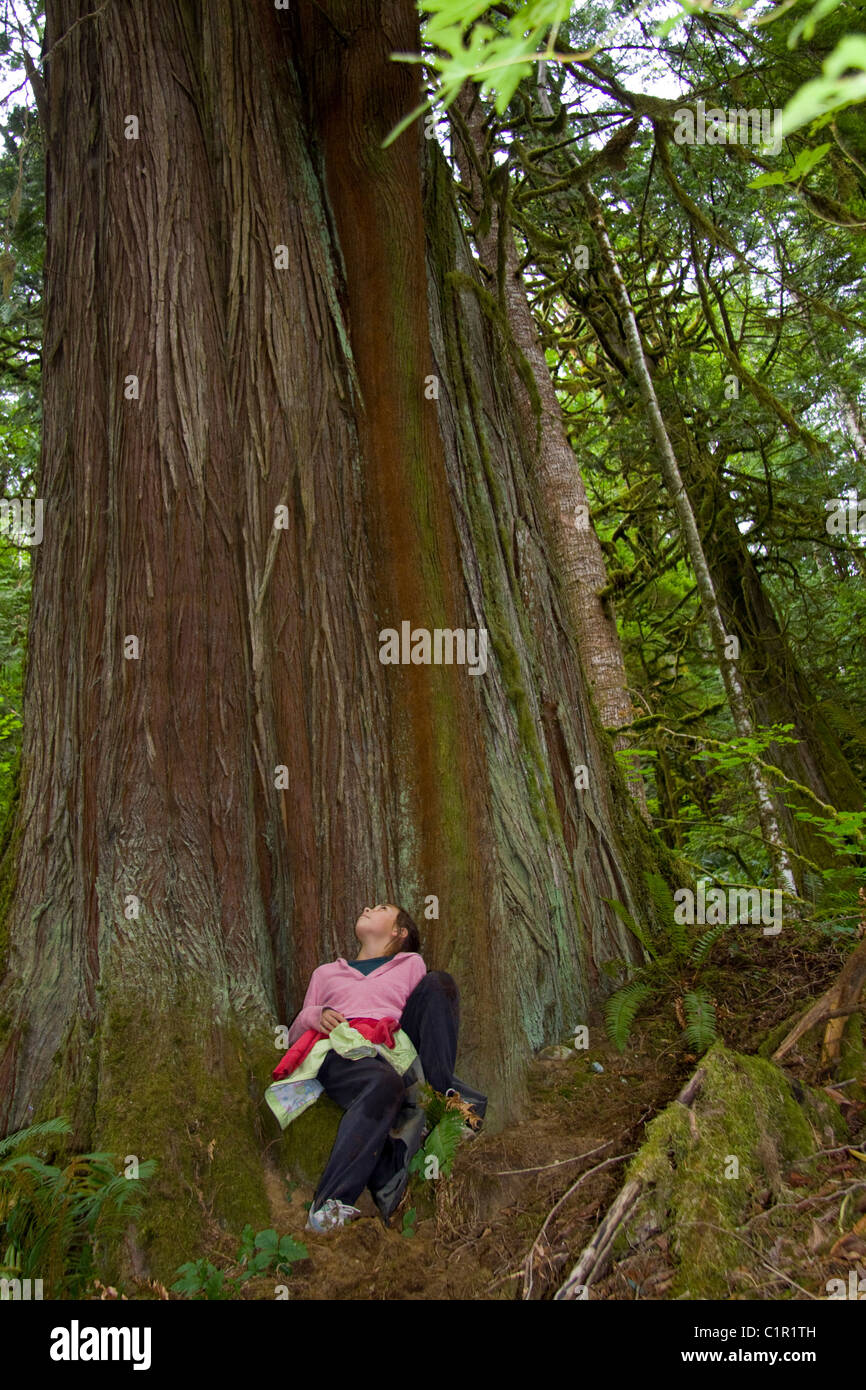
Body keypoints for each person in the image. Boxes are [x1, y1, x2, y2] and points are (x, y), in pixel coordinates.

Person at [279, 903, 487, 1233]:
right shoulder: (326, 973)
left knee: (439, 983)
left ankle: (446, 1101)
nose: (366, 908)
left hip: (393, 1046)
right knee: (383, 1084)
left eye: (380, 908)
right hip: (342, 1051)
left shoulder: (410, 964)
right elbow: (295, 1037)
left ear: (398, 932)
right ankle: (330, 1206)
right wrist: (313, 1016)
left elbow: (427, 1017)